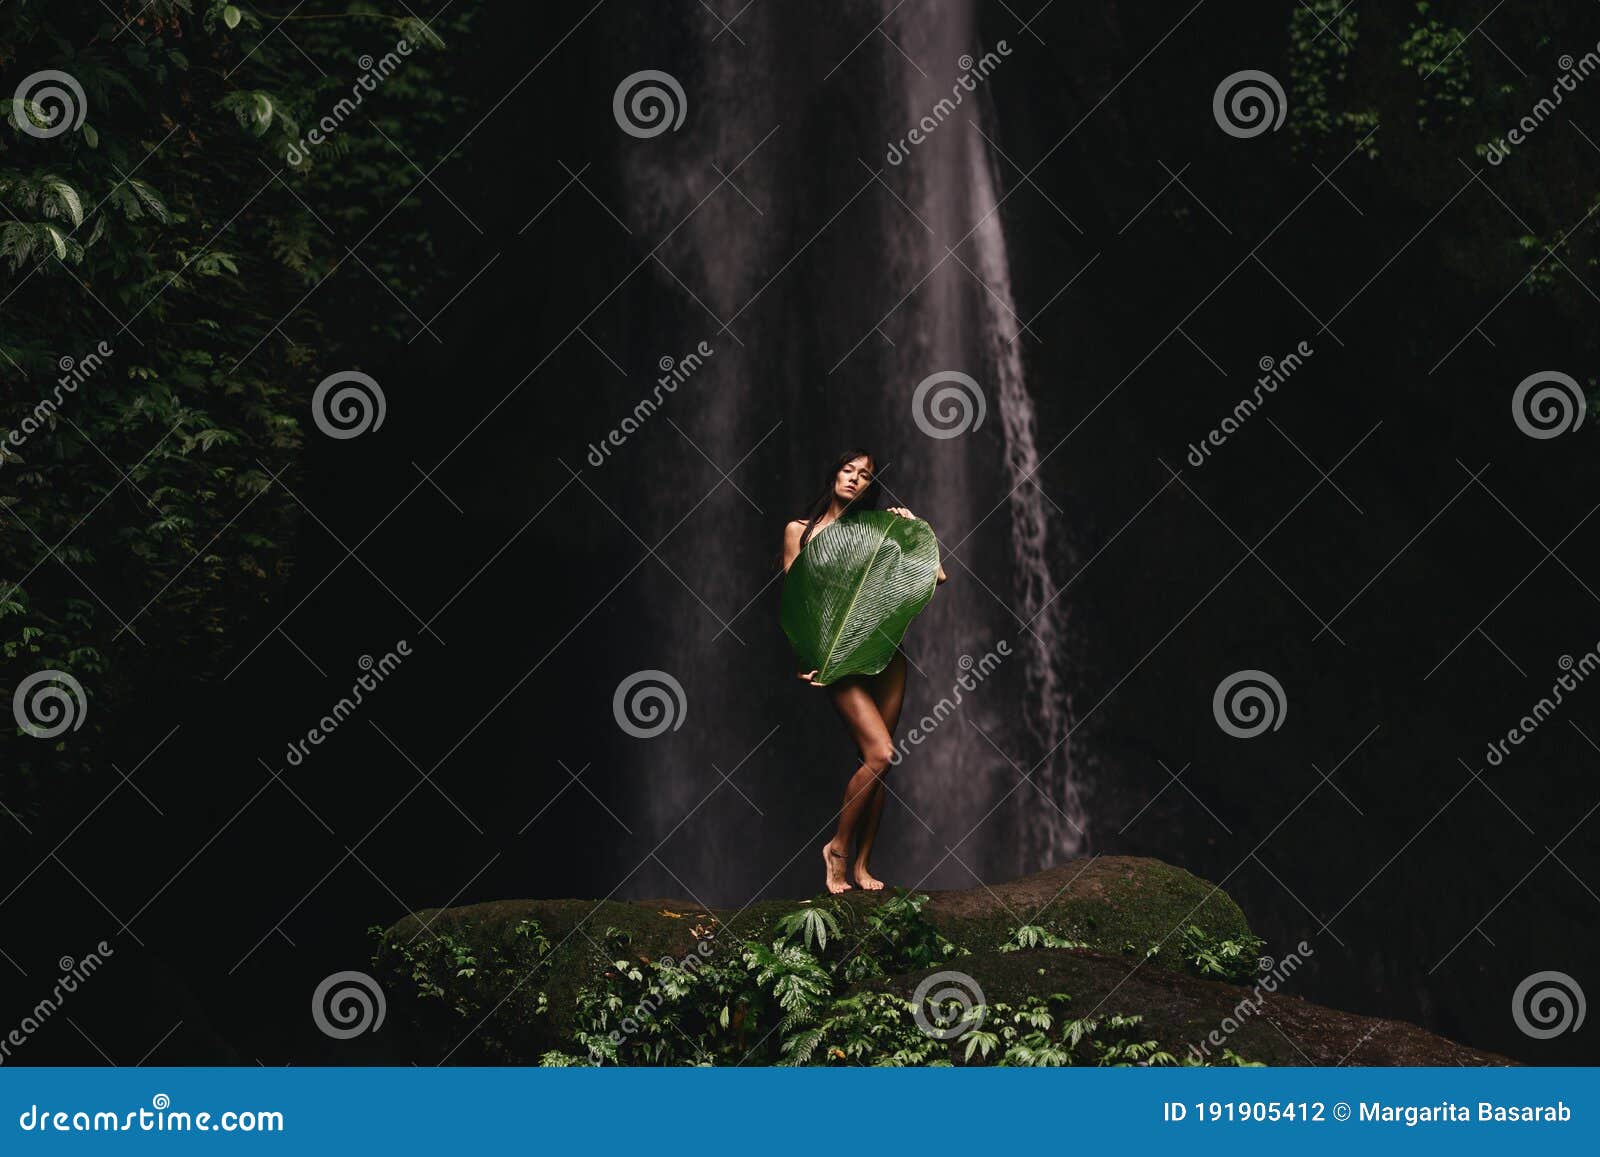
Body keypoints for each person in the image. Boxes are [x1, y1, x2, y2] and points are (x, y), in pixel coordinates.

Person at [780, 449, 946, 893]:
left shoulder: (875, 531)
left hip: (886, 655)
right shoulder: (801, 531)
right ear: (834, 472)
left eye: (865, 476)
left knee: (879, 763)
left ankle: (863, 866)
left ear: (871, 488)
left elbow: (937, 576)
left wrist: (910, 526)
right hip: (838, 658)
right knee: (881, 753)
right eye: (849, 469)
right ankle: (837, 849)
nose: (854, 479)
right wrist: (804, 659)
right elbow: (794, 600)